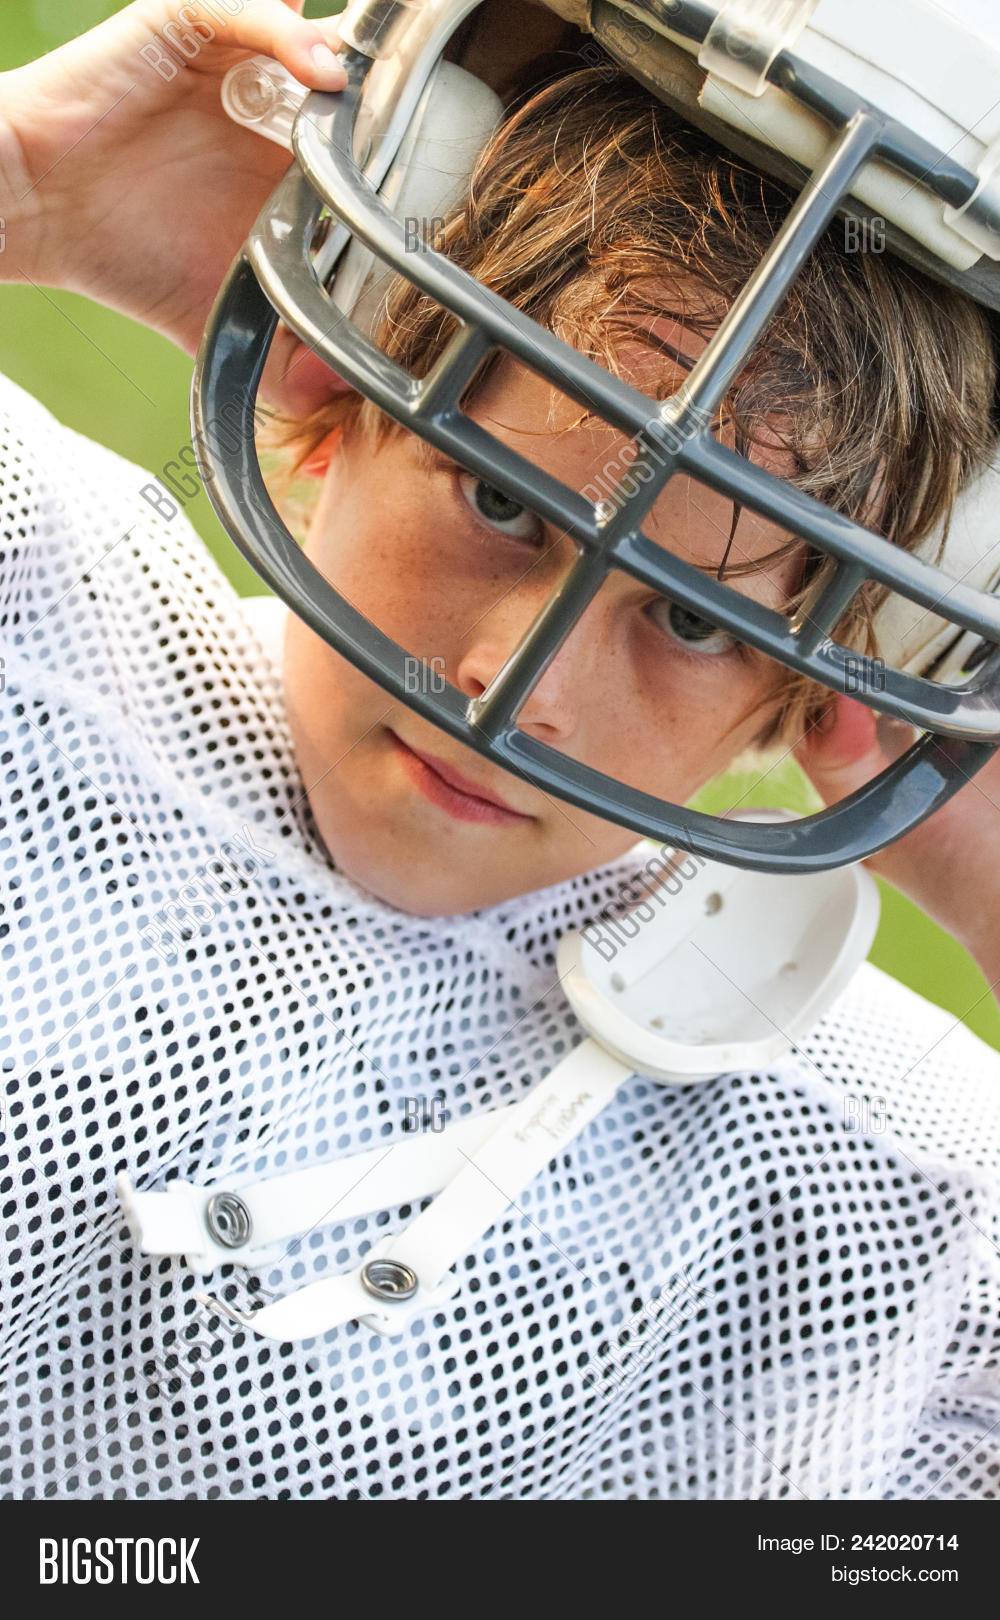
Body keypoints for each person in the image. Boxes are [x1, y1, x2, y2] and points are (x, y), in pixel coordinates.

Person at [0, 0, 998, 1501]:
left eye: (695, 621)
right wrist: (24, 183)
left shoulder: (868, 1188)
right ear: (337, 382)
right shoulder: (40, 619)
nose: (518, 688)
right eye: (505, 504)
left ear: (859, 670)